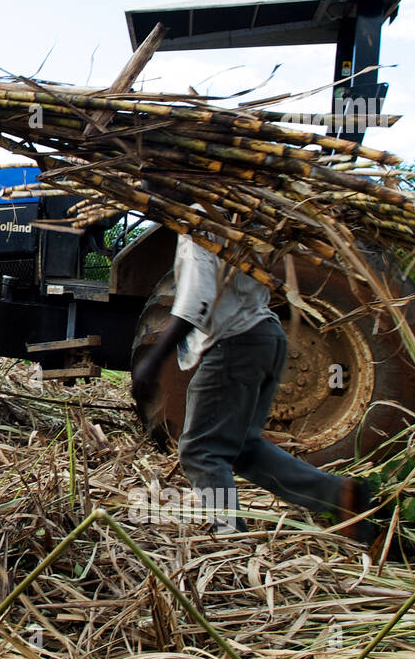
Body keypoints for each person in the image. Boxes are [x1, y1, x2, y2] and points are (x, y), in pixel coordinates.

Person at [129, 198, 370, 542]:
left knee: (201, 450)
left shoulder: (199, 216)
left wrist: (153, 363)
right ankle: (339, 495)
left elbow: (195, 299)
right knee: (240, 447)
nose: (143, 186)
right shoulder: (241, 214)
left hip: (234, 343)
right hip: (265, 337)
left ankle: (229, 541)